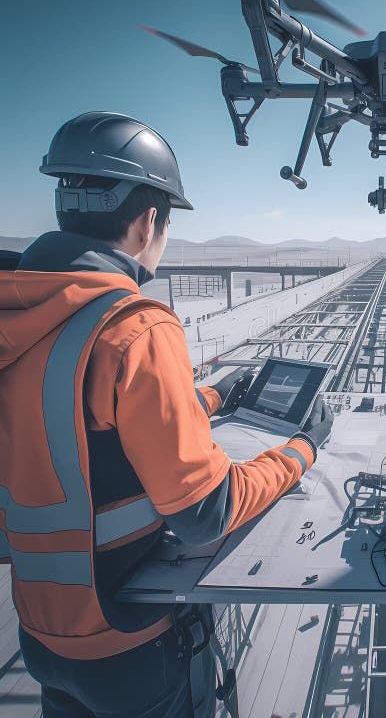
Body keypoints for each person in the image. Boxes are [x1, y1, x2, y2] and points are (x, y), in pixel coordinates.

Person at [0, 112, 332, 717]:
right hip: (129, 634)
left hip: (41, 633)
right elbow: (207, 511)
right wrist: (300, 450)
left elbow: (69, 423)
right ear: (150, 219)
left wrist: (203, 400)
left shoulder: (20, 313)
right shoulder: (133, 325)